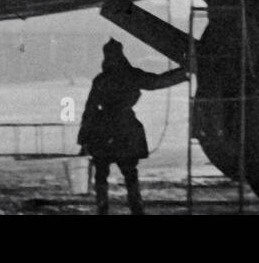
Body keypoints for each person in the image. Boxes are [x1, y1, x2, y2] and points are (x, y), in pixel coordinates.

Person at [77, 39, 187, 214]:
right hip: (125, 128)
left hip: (102, 130)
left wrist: (83, 139)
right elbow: (156, 82)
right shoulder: (131, 75)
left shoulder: (101, 80)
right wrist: (183, 74)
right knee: (130, 174)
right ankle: (137, 209)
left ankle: (102, 209)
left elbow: (89, 109)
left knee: (101, 175)